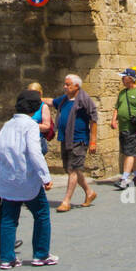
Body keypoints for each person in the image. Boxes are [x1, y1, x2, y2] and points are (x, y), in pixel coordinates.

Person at [0, 90, 57, 268]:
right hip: (27, 179)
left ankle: (7, 258)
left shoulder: (7, 125)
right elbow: (34, 153)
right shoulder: (30, 126)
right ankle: (41, 254)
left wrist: (1, 172)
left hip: (8, 179)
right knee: (42, 214)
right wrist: (45, 177)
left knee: (8, 218)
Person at [52, 74, 99, 212]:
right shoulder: (65, 99)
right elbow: (52, 102)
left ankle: (66, 201)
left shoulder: (84, 99)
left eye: (68, 85)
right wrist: (36, 98)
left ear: (76, 86)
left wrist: (93, 142)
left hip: (79, 139)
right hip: (66, 139)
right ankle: (89, 192)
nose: (65, 87)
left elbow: (94, 119)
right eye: (65, 84)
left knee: (72, 169)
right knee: (71, 169)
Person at [112, 68, 136, 191]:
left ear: (130, 78)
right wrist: (113, 120)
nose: (122, 79)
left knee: (129, 153)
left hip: (135, 128)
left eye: (123, 77)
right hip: (124, 128)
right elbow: (117, 108)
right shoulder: (122, 93)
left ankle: (124, 179)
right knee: (131, 152)